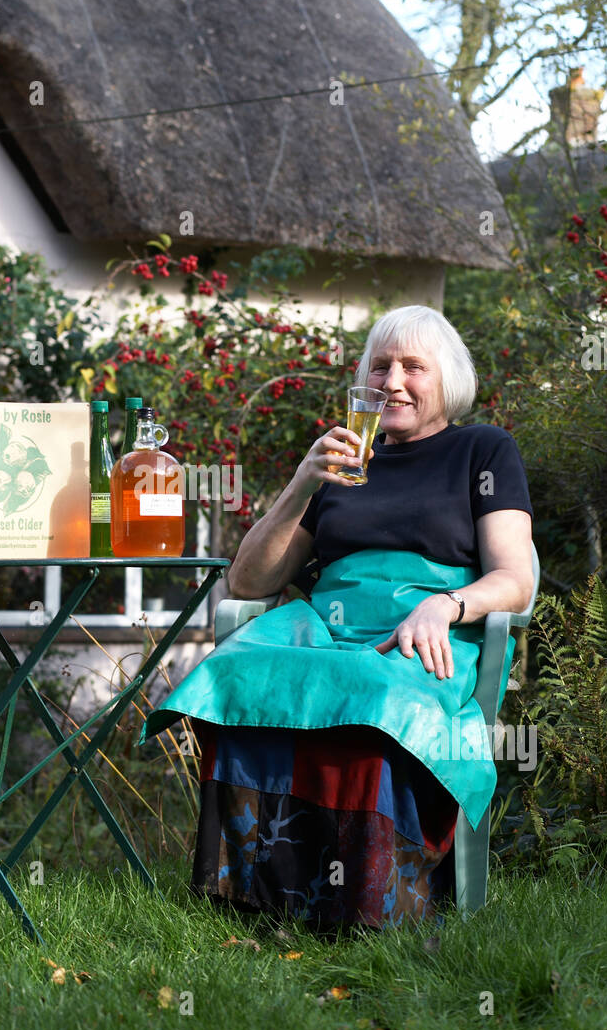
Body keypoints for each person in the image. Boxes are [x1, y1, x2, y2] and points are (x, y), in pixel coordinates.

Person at [142, 305, 534, 933]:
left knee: (376, 690)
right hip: (329, 627)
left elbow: (515, 579)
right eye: (380, 366)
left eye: (413, 366)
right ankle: (252, 892)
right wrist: (301, 483)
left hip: (428, 634)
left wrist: (446, 604)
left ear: (448, 378)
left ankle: (369, 905)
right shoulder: (342, 462)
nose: (393, 380)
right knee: (239, 670)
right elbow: (248, 582)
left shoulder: (481, 449)